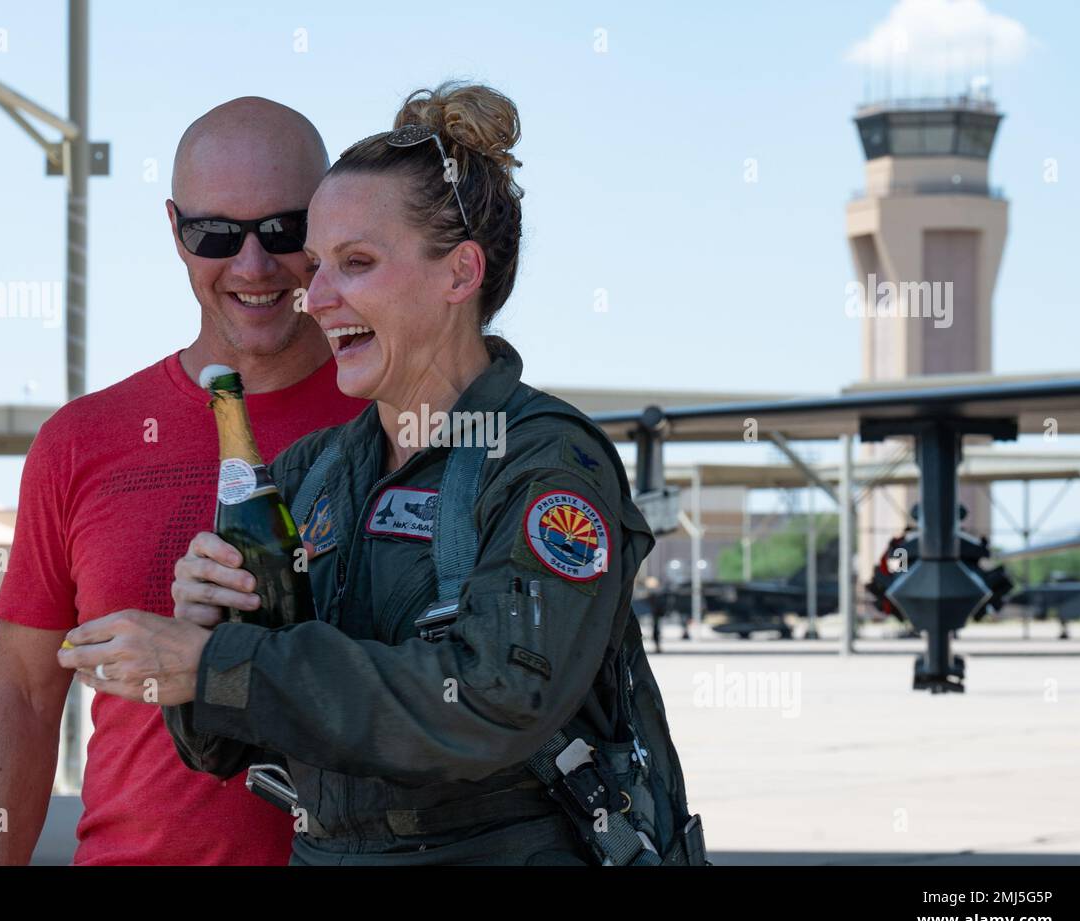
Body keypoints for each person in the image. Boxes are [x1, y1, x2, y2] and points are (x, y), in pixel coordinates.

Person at [60, 82, 704, 865]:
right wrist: (202, 629)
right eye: (318, 265)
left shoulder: (545, 463)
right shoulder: (310, 474)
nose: (317, 296)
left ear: (460, 273)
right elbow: (225, 746)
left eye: (356, 263)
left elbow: (494, 700)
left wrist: (216, 663)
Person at [0, 98, 370, 865]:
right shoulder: (80, 442)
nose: (252, 266)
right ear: (175, 229)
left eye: (283, 232)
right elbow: (21, 691)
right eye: (216, 233)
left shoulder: (396, 423)